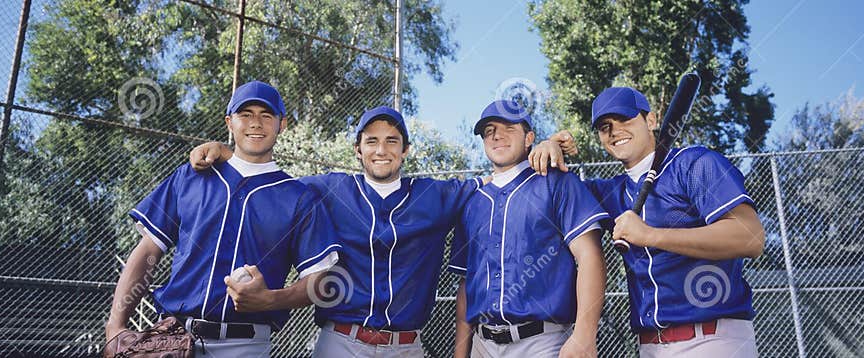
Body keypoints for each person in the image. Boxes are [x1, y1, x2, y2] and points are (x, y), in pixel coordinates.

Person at [192, 106, 578, 357]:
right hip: (339, 341)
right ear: (357, 149)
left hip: (406, 345)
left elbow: (503, 181)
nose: (381, 149)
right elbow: (271, 185)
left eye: (392, 140)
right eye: (371, 140)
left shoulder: (439, 194)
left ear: (406, 150)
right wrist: (232, 155)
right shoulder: (328, 189)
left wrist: (542, 145)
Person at [106, 80, 340, 357]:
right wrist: (115, 326)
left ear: (282, 124)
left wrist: (269, 300)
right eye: (245, 114)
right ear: (230, 122)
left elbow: (319, 281)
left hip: (245, 345)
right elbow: (148, 249)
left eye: (266, 115)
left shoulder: (299, 198)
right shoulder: (191, 176)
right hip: (171, 337)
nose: (256, 123)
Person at [530, 86, 766, 357]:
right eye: (605, 126)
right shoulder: (611, 192)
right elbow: (549, 196)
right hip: (649, 345)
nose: (615, 131)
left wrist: (650, 235)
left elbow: (750, 237)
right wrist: (548, 148)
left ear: (651, 121)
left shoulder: (695, 163)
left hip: (712, 339)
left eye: (625, 119)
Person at [449, 100, 609, 358]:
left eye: (508, 128)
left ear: (529, 138)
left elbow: (590, 256)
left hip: (542, 343)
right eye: (489, 130)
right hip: (481, 344)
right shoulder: (472, 201)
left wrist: (584, 335)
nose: (497, 135)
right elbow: (466, 286)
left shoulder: (556, 181)